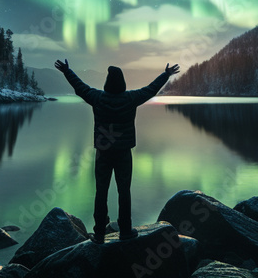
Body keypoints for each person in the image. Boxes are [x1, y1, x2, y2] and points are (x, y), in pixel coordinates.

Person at [54, 59, 181, 243]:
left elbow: (80, 87)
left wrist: (67, 71)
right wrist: (166, 74)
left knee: (101, 192)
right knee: (124, 191)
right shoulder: (131, 98)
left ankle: (99, 233)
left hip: (103, 153)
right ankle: (125, 230)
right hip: (123, 152)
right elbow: (151, 89)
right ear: (123, 83)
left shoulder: (97, 97)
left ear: (107, 83)